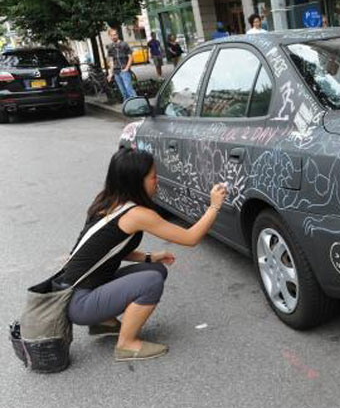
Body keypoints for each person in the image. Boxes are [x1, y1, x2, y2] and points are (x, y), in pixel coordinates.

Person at [53, 148, 228, 362]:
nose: (157, 182)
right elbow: (190, 238)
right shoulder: (137, 214)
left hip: (77, 290)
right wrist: (215, 206)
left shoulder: (108, 201)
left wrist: (149, 257)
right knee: (151, 281)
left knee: (154, 269)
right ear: (136, 181)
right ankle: (126, 345)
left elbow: (109, 250)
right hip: (79, 302)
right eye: (154, 176)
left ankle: (103, 322)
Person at [106, 28, 137, 101]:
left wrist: (126, 68)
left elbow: (130, 57)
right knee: (123, 92)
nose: (114, 37)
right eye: (112, 35)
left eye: (115, 35)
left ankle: (136, 105)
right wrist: (110, 74)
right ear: (109, 36)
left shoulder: (124, 44)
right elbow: (111, 61)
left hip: (124, 70)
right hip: (116, 72)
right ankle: (128, 108)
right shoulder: (110, 47)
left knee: (129, 90)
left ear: (117, 35)